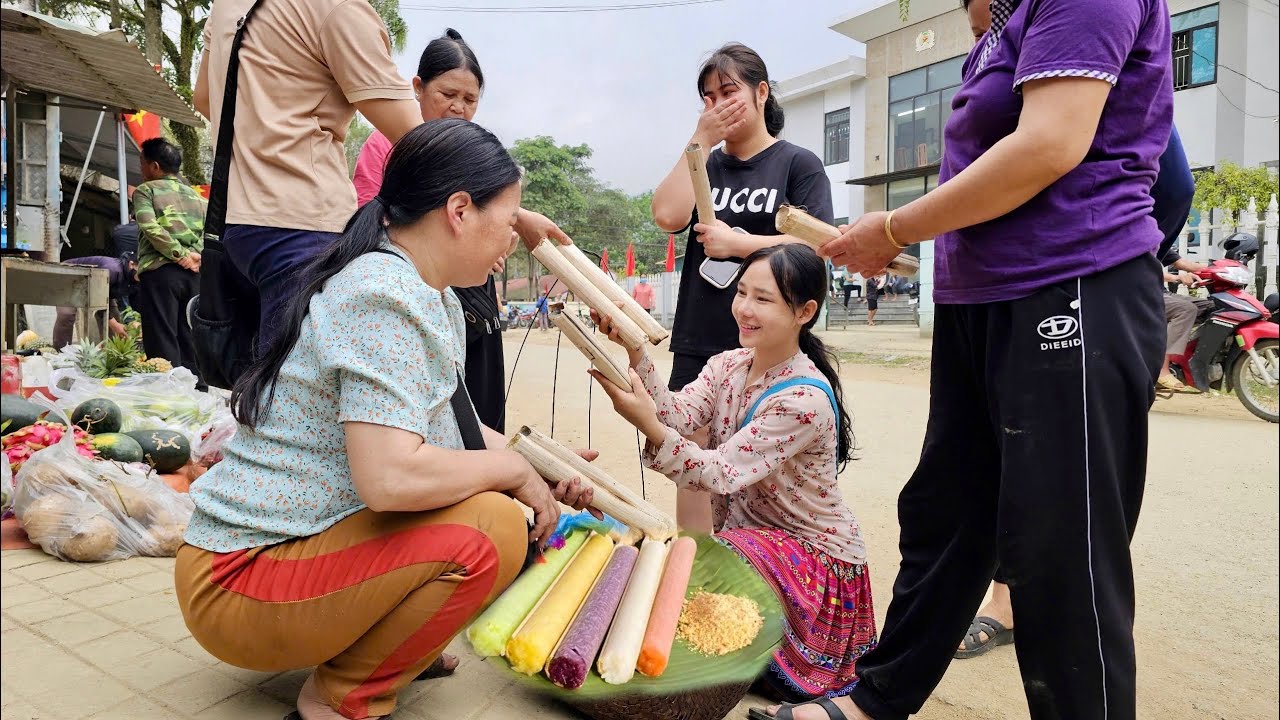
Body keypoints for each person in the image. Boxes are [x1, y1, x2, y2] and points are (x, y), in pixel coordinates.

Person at [759, 0, 1172, 716]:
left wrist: (894, 227)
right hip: (979, 301)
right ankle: (876, 699)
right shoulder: (1003, 31)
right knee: (945, 516)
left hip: (1066, 284)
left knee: (1059, 551)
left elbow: (1050, 144)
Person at [175, 120, 597, 720]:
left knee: (489, 504)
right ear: (458, 211)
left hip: (285, 561)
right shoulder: (383, 295)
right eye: (508, 222)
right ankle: (343, 697)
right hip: (238, 582)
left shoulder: (426, 292)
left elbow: (456, 430)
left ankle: (385, 644)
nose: (511, 242)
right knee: (492, 528)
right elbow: (390, 479)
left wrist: (542, 463)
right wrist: (511, 472)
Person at [591, 244, 875, 703]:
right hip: (752, 542)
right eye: (741, 292)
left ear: (804, 312)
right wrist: (634, 347)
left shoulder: (803, 401)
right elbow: (678, 415)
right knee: (693, 568)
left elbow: (719, 473)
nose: (744, 308)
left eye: (763, 299)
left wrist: (647, 424)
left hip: (815, 559)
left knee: (701, 566)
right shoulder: (728, 365)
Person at [649, 42, 834, 532]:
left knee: (757, 467)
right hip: (700, 333)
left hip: (767, 343)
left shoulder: (797, 164)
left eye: (728, 92)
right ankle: (696, 562)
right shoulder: (704, 164)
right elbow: (666, 214)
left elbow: (819, 244)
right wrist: (700, 138)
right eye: (708, 98)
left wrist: (740, 243)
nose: (717, 106)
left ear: (761, 92)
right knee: (692, 460)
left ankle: (758, 561)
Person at [350, 28, 571, 433]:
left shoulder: (473, 152)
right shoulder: (385, 146)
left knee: (481, 405)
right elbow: (372, 217)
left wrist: (495, 239)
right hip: (426, 287)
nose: (458, 107)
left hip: (473, 297)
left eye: (470, 99)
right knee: (437, 411)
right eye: (448, 94)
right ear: (418, 88)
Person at [195, 0, 423, 353]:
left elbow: (205, 99)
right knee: (299, 382)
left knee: (261, 374)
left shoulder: (226, 4)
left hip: (236, 225)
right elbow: (414, 136)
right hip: (305, 225)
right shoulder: (337, 7)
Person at [133, 138, 205, 377]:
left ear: (154, 166)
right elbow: (210, 233)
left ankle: (166, 388)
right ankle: (198, 386)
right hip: (194, 274)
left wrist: (179, 255)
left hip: (160, 272)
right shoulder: (198, 198)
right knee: (190, 332)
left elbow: (150, 227)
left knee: (161, 333)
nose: (141, 169)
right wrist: (195, 257)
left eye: (142, 163)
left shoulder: (146, 191)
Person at [52, 253, 139, 348]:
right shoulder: (112, 270)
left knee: (114, 316)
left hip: (100, 288)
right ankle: (61, 350)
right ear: (131, 264)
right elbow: (98, 300)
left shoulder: (135, 279)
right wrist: (114, 324)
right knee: (66, 314)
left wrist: (135, 323)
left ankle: (111, 350)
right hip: (70, 278)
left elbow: (137, 303)